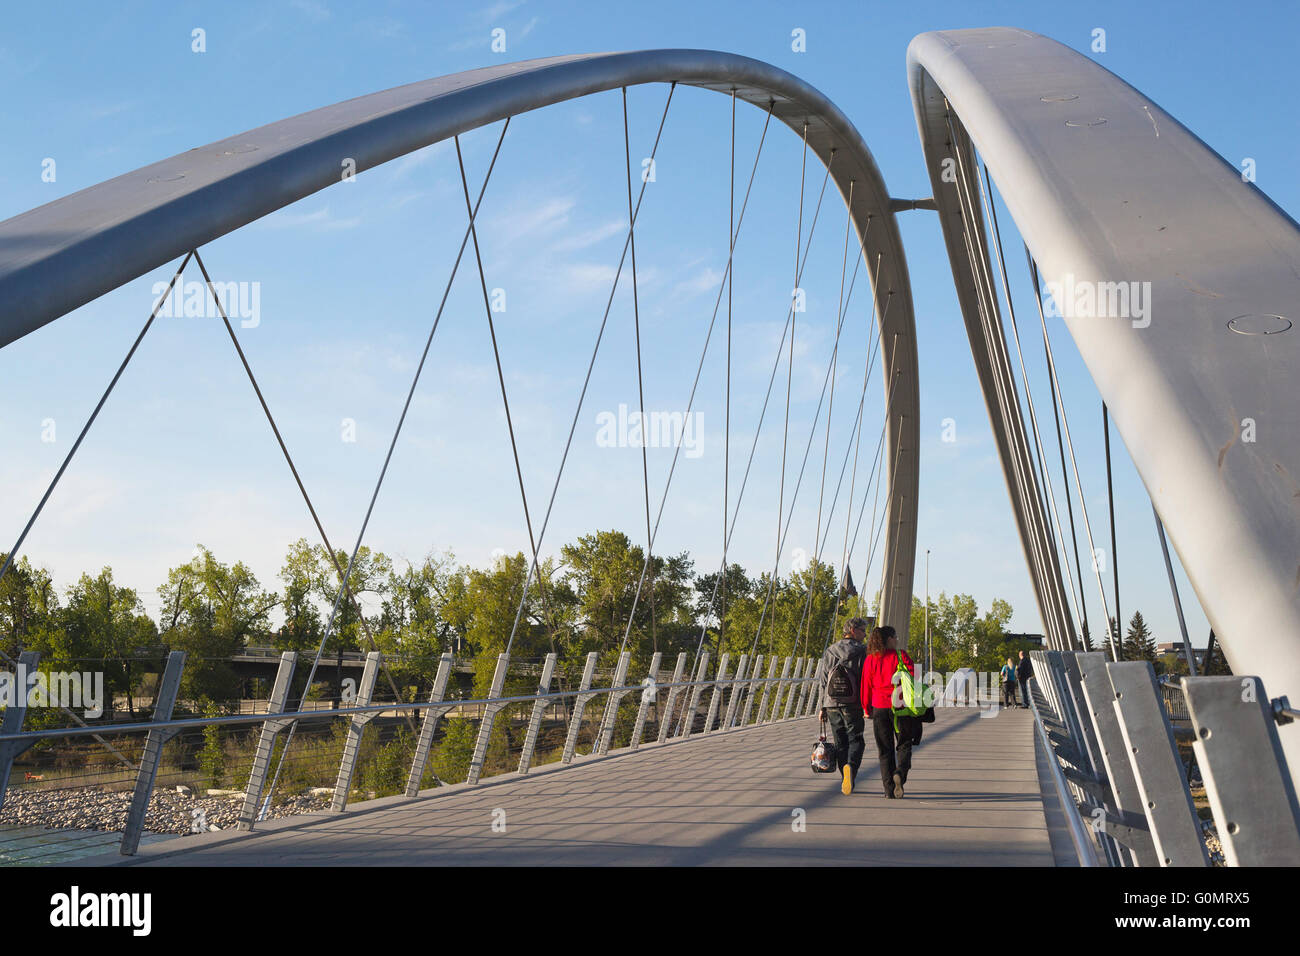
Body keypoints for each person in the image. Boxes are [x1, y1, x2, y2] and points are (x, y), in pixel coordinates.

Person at [861, 624, 922, 798]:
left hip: (879, 708)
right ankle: (900, 774)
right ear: (889, 639)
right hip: (901, 708)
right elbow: (915, 679)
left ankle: (889, 790)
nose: (897, 640)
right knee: (904, 744)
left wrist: (866, 708)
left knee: (884, 750)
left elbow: (866, 686)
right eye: (895, 637)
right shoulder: (901, 656)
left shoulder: (871, 659)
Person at [818, 617, 869, 795]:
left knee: (841, 742)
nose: (865, 634)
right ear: (853, 630)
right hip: (852, 703)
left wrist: (822, 707)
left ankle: (845, 779)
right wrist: (866, 705)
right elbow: (865, 680)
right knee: (856, 740)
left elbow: (824, 680)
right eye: (863, 630)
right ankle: (851, 771)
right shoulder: (863, 651)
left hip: (831, 703)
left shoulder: (830, 650)